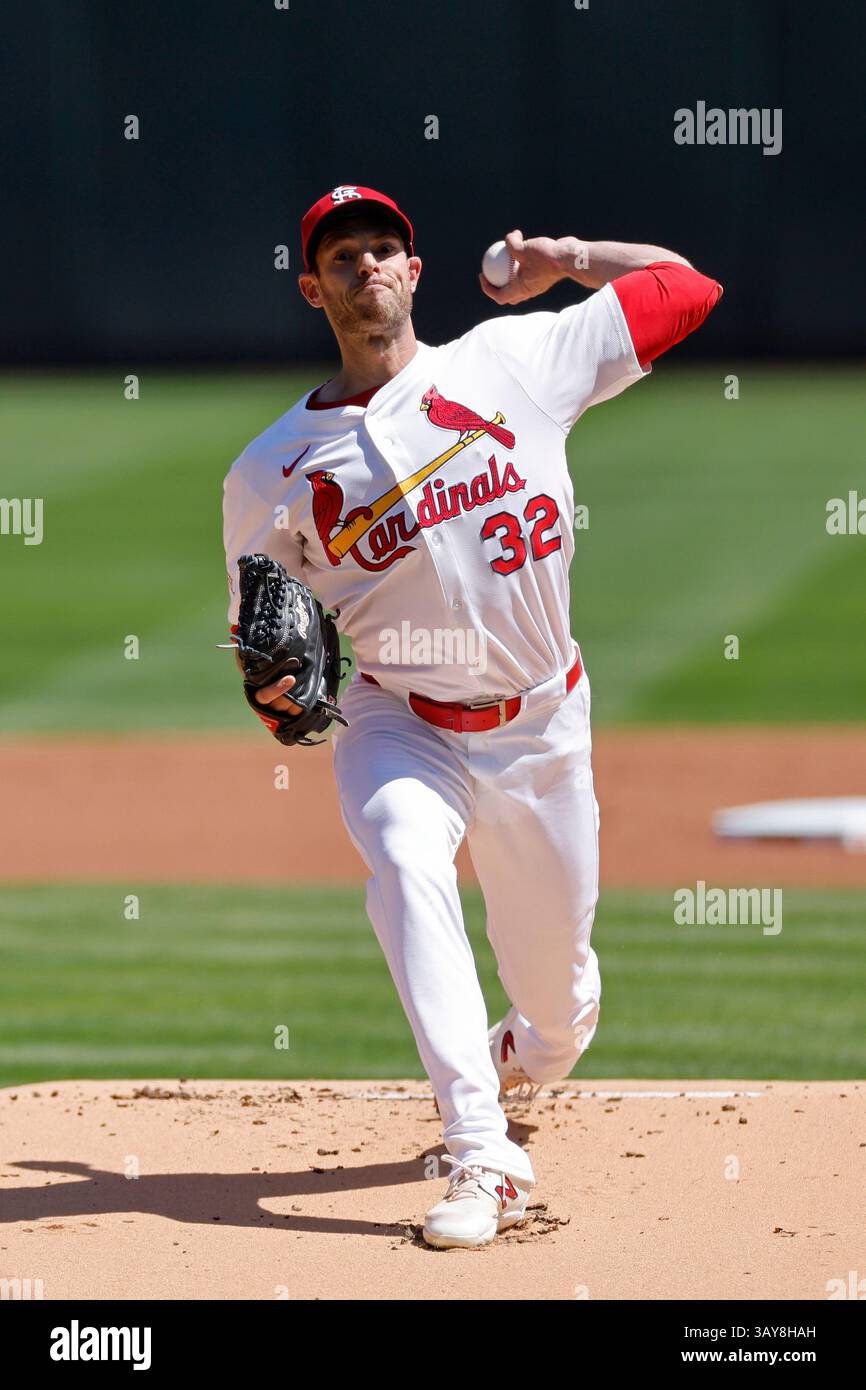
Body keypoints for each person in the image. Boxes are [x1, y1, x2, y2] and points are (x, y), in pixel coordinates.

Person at [222, 184, 723, 1249]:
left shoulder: (510, 362)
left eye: (383, 250)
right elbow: (267, 645)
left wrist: (568, 254)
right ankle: (481, 1151)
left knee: (559, 1019)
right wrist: (274, 693)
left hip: (542, 728)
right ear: (313, 288)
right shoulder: (268, 470)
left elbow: (683, 288)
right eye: (342, 257)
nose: (366, 268)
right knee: (403, 857)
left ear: (415, 271)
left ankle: (516, 1057)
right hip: (398, 722)